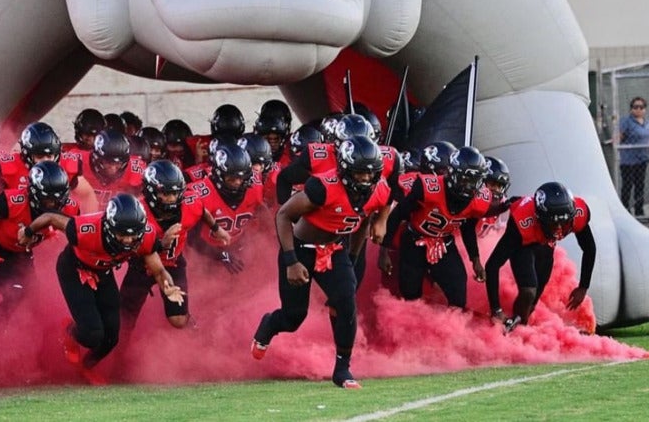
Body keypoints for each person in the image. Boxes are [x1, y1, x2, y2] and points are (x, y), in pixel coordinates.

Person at [251, 136, 392, 389]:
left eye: (370, 174)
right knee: (294, 317)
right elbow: (284, 216)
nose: (365, 180)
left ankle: (342, 369)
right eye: (360, 174)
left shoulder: (378, 189)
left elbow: (369, 216)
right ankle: (268, 325)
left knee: (347, 301)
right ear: (346, 170)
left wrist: (352, 258)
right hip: (301, 248)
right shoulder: (323, 186)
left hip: (335, 249)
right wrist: (291, 260)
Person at [17, 193, 185, 383]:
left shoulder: (145, 236)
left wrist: (168, 287)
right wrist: (28, 232)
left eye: (133, 235)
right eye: (122, 234)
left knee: (112, 337)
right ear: (109, 227)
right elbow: (50, 217)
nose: (128, 241)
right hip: (74, 269)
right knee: (92, 334)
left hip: (103, 273)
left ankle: (85, 366)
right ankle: (69, 331)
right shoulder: (85, 229)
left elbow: (160, 270)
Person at [379, 146, 498, 309]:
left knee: (458, 293)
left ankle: (449, 330)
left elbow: (468, 228)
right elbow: (398, 214)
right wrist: (384, 250)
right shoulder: (427, 187)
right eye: (465, 179)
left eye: (475, 181)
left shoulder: (480, 198)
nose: (470, 186)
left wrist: (475, 260)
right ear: (453, 173)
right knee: (410, 297)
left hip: (444, 245)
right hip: (414, 242)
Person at [120, 160, 229, 335]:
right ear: (151, 191)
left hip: (173, 264)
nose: (172, 198)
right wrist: (160, 244)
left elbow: (201, 211)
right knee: (124, 321)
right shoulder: (136, 212)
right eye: (166, 193)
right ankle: (120, 352)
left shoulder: (190, 202)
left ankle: (190, 321)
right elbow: (127, 245)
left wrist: (216, 228)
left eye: (176, 193)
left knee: (178, 320)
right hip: (142, 267)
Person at [0, 161, 80, 324]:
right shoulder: (11, 202)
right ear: (34, 194)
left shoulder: (70, 209)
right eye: (48, 200)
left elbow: (81, 237)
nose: (53, 205)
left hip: (23, 254)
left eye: (58, 199)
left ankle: (30, 339)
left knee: (35, 300)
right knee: (15, 295)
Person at [484, 182, 594, 332]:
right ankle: (517, 331)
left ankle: (518, 324)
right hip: (525, 242)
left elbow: (589, 249)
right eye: (553, 224)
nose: (559, 229)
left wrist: (583, 286)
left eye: (564, 222)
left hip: (544, 243)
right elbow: (492, 265)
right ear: (539, 217)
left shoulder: (579, 212)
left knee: (533, 300)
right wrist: (496, 309)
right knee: (529, 290)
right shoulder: (522, 222)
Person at [0, 121, 97, 213]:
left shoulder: (67, 166)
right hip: (18, 227)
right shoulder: (9, 168)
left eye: (49, 155)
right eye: (40, 156)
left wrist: (84, 226)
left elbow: (87, 195)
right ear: (26, 154)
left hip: (53, 225)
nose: (45, 161)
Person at [187, 142, 264, 275]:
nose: (237, 183)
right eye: (231, 179)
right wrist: (222, 255)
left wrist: (262, 239)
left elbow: (263, 213)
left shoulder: (255, 186)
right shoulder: (200, 193)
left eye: (241, 178)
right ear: (218, 174)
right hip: (206, 253)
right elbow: (192, 239)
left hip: (238, 246)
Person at [81, 129, 145, 208]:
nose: (113, 167)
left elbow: (144, 199)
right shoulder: (78, 161)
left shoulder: (135, 167)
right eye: (108, 162)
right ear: (96, 158)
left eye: (118, 163)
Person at [619, 96, 649, 216]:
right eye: (635, 107)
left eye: (641, 107)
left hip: (642, 160)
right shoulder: (626, 121)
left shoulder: (646, 123)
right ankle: (625, 209)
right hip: (628, 161)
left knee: (640, 185)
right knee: (627, 185)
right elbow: (619, 137)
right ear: (631, 109)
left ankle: (639, 210)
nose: (638, 109)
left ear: (645, 109)